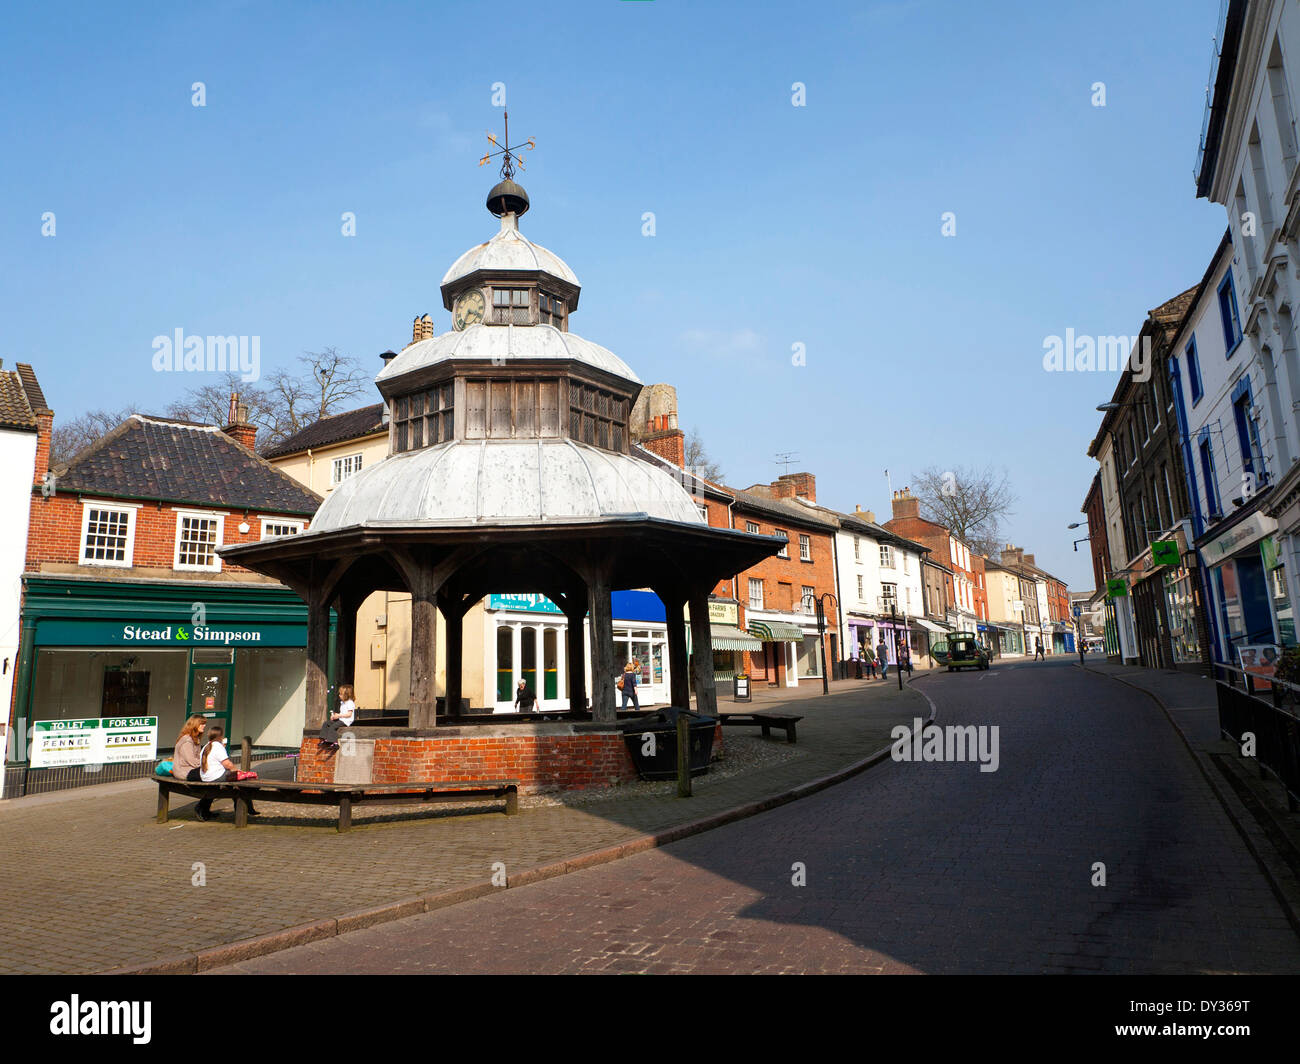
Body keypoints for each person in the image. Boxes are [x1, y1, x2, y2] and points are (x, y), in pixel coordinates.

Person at [195, 723, 258, 821]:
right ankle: (244, 809)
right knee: (242, 781)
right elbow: (227, 764)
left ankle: (248, 808)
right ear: (220, 736)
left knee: (234, 784)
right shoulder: (217, 746)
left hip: (206, 776)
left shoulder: (206, 746)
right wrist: (236, 770)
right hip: (216, 776)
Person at [172, 715, 206, 781]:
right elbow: (191, 760)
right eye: (202, 724)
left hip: (191, 769)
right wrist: (206, 764)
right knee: (211, 774)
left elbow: (199, 757)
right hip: (184, 771)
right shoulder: (187, 740)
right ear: (195, 725)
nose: (204, 726)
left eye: (204, 724)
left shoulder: (195, 739)